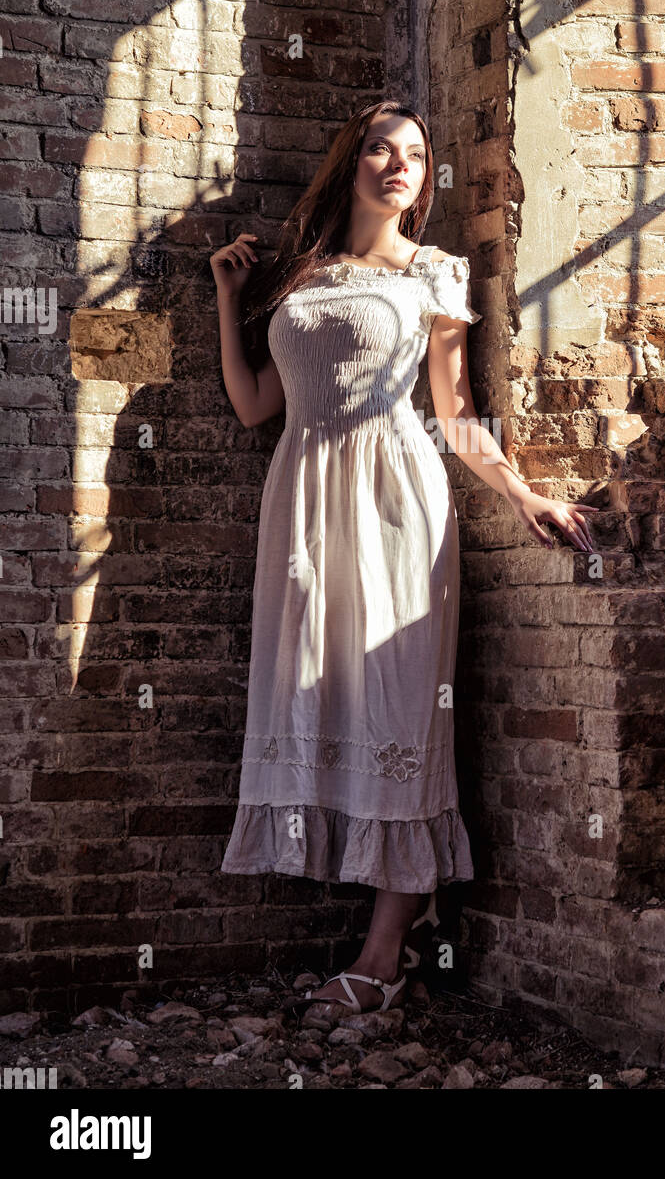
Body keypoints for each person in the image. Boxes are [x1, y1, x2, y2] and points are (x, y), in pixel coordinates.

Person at [211, 99, 598, 1013]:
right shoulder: (300, 275)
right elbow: (256, 405)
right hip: (301, 500)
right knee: (315, 689)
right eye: (381, 150)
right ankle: (394, 932)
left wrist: (523, 490)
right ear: (351, 164)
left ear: (426, 180)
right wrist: (230, 300)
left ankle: (383, 956)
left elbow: (457, 414)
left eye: (416, 157)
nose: (398, 166)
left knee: (400, 707)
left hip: (396, 504)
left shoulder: (433, 273)